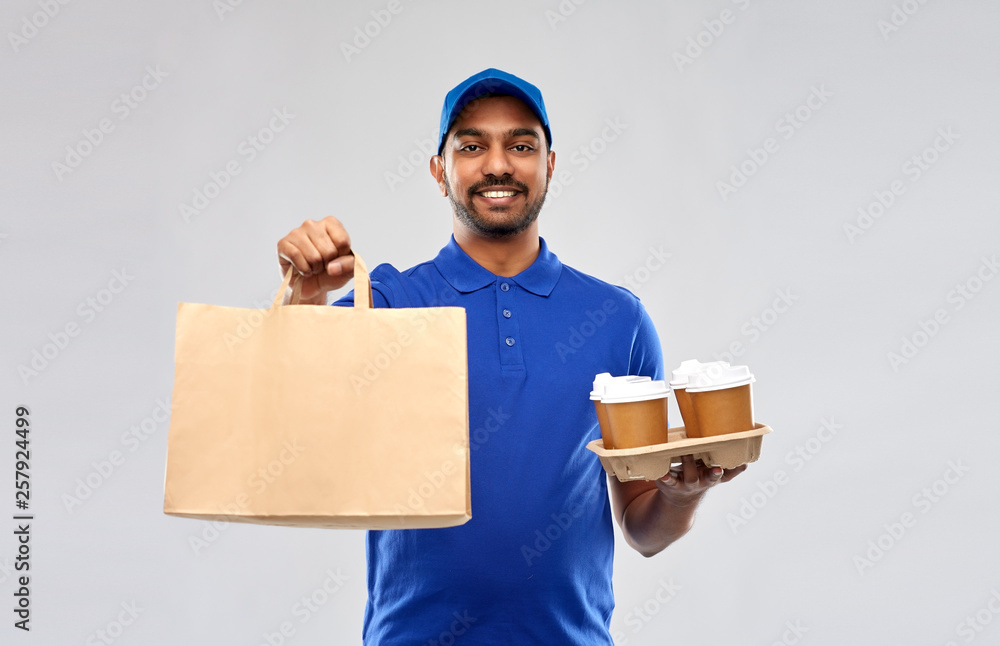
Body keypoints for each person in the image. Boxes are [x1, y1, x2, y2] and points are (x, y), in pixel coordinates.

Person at [276, 68, 746, 644]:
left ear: (550, 165)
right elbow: (295, 410)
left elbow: (642, 528)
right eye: (472, 147)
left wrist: (681, 496)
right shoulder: (391, 302)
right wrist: (305, 297)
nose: (497, 165)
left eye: (521, 146)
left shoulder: (616, 320)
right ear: (439, 172)